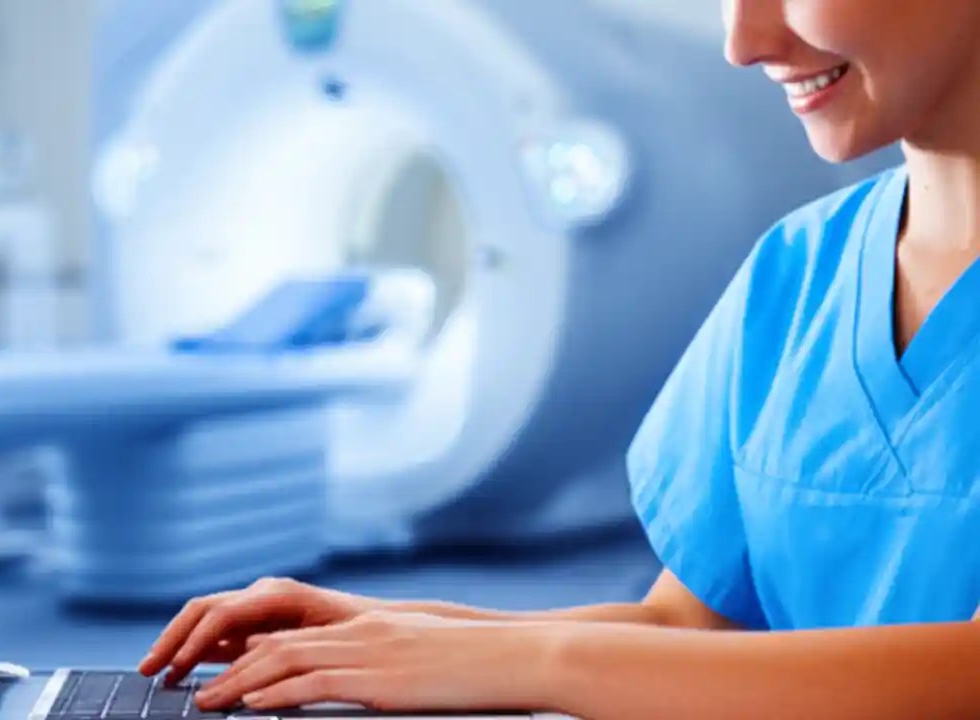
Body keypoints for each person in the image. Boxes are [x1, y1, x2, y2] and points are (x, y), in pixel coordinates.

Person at [138, 1, 980, 717]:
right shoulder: (797, 271)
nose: (744, 41)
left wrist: (535, 665)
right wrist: (390, 633)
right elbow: (692, 635)